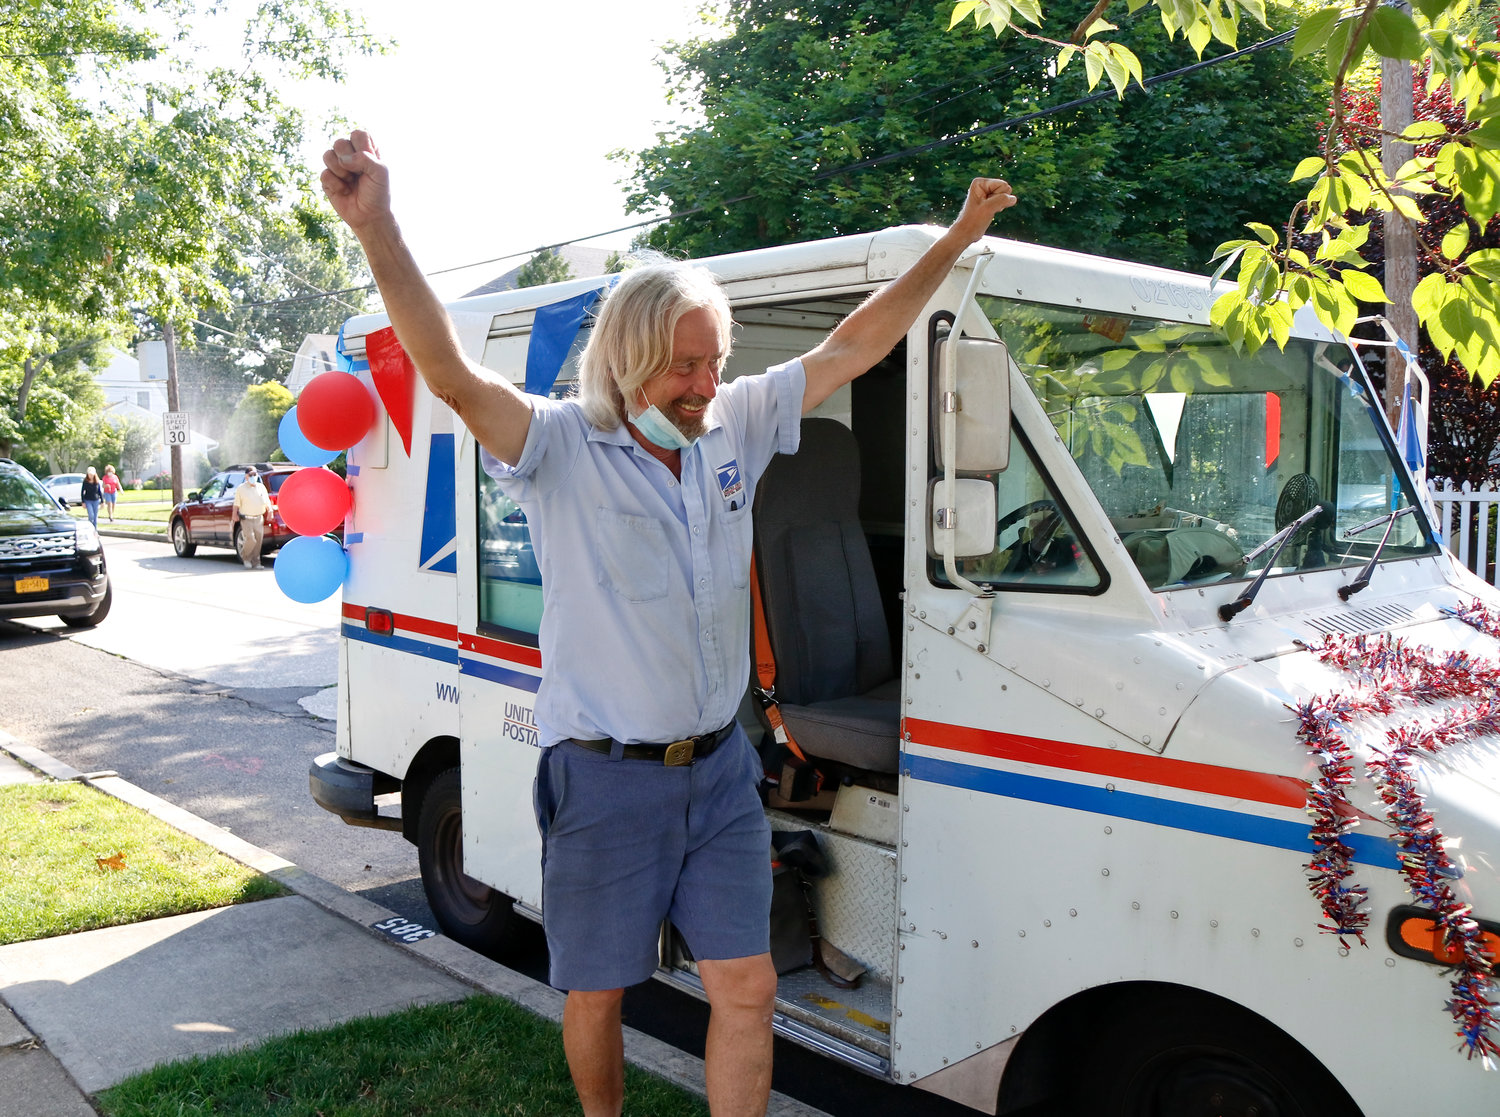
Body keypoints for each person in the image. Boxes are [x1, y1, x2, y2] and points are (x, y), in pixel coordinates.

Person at [321, 128, 1015, 1117]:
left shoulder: (732, 426)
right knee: (600, 988)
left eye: (716, 361)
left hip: (720, 776)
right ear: (633, 354)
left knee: (749, 986)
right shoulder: (560, 447)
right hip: (604, 778)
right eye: (688, 365)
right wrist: (378, 225)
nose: (705, 383)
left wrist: (951, 242)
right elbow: (449, 375)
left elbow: (856, 342)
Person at [230, 467, 272, 569]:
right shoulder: (241, 488)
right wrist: (234, 515)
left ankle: (256, 562)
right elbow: (236, 504)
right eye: (250, 475)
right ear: (246, 476)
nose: (253, 477)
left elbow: (267, 501)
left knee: (258, 541)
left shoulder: (261, 487)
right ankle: (246, 557)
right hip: (246, 518)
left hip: (258, 518)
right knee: (251, 539)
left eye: (255, 474)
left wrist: (270, 511)